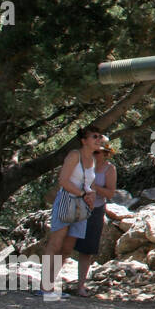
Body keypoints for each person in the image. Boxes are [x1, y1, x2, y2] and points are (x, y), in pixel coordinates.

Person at [44, 124, 104, 295]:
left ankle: (51, 283)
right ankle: (44, 285)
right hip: (67, 200)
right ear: (84, 141)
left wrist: (91, 194)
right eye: (95, 136)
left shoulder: (92, 160)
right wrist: (83, 193)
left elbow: (90, 182)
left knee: (67, 247)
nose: (99, 140)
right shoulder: (74, 155)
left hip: (82, 205)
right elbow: (63, 180)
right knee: (56, 242)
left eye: (100, 136)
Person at [74, 135, 117, 297]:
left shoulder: (109, 169)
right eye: (93, 151)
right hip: (76, 206)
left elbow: (110, 193)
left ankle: (80, 286)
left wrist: (94, 187)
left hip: (95, 209)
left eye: (98, 152)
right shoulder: (82, 164)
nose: (95, 154)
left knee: (87, 249)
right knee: (64, 244)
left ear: (106, 154)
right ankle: (50, 282)